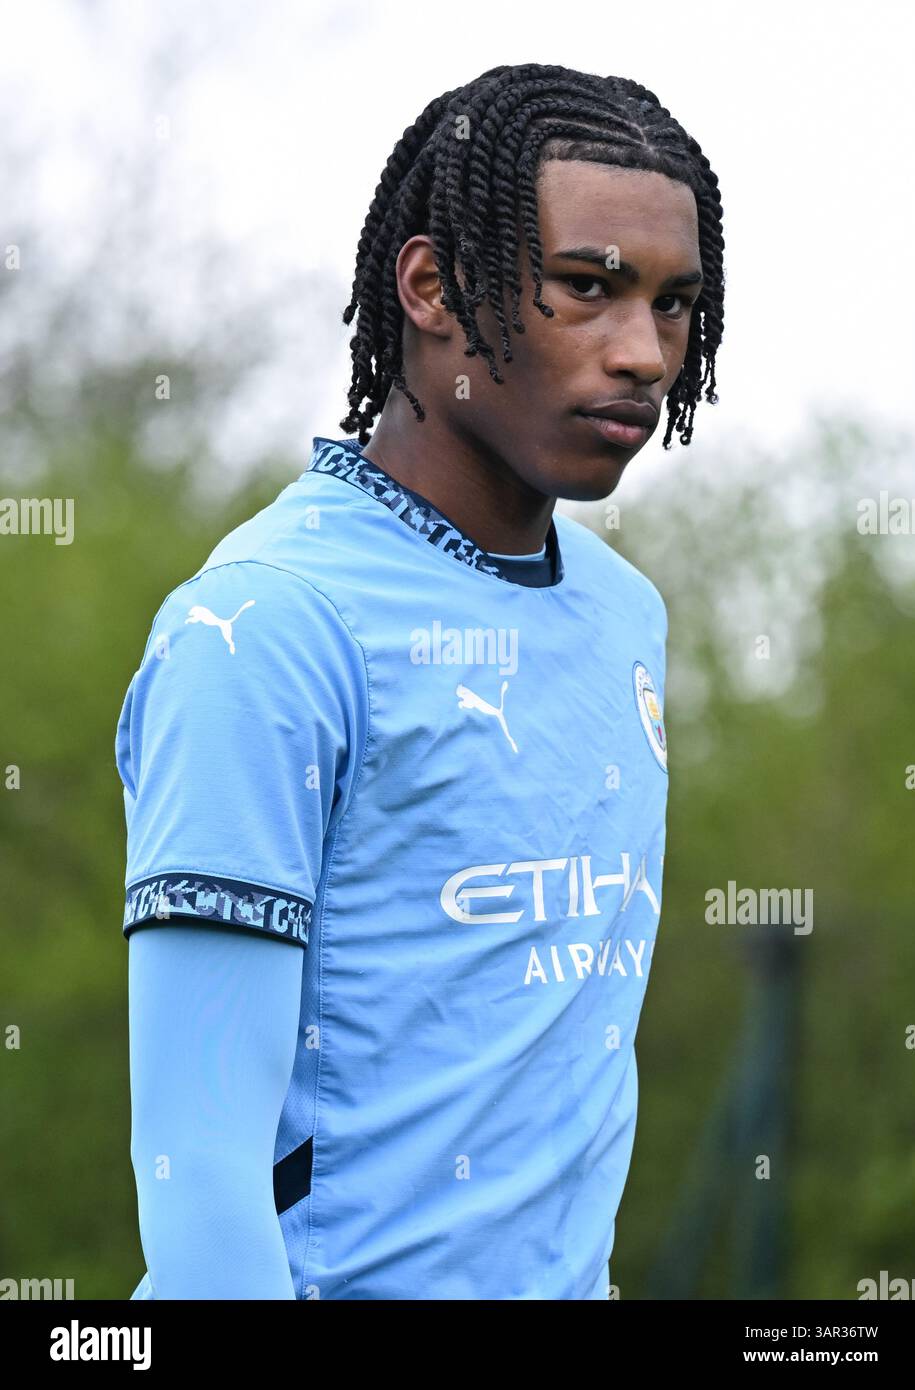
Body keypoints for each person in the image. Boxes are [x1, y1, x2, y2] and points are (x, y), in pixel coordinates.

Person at [117, 61, 724, 1300]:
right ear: (431, 286)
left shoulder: (624, 616)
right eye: (587, 287)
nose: (643, 352)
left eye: (670, 305)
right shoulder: (266, 631)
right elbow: (195, 1169)